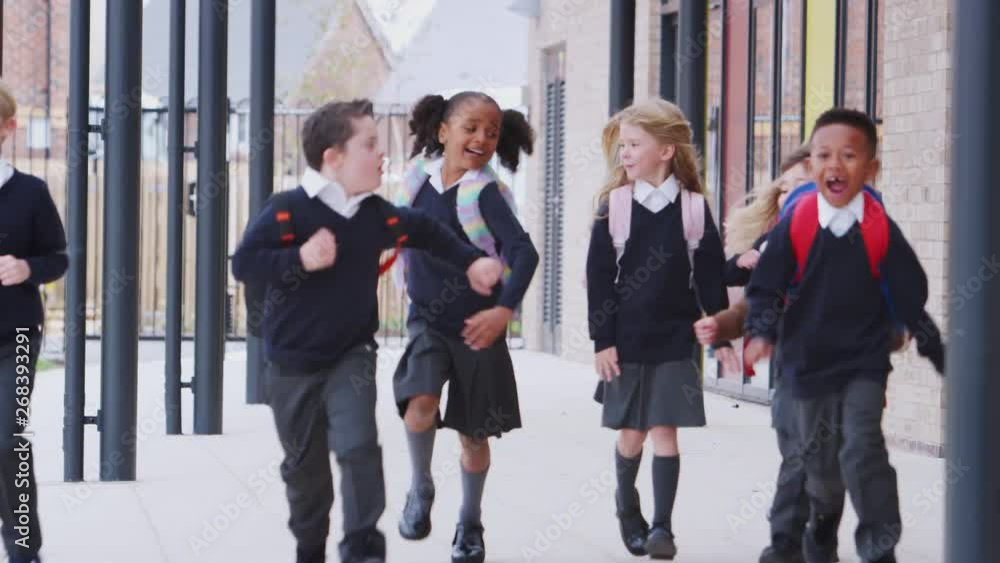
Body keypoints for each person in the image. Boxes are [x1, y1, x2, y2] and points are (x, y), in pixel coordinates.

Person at [231, 99, 502, 563]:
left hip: (351, 356)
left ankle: (362, 548)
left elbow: (428, 232)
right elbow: (244, 264)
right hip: (292, 366)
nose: (383, 155)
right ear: (333, 158)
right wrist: (298, 259)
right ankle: (310, 547)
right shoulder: (288, 211)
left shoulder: (376, 214)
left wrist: (473, 261)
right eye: (371, 144)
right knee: (305, 471)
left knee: (359, 447)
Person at [744, 108, 945, 563]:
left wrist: (938, 352)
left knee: (862, 448)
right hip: (803, 365)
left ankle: (878, 549)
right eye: (823, 155)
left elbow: (910, 294)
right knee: (815, 470)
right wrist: (759, 331)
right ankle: (812, 536)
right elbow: (766, 287)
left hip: (863, 363)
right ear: (811, 164)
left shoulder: (878, 228)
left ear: (870, 169)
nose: (835, 165)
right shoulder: (795, 224)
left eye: (850, 156)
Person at [392, 91, 539, 563]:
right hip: (427, 319)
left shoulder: (485, 193)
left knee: (473, 437)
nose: (481, 138)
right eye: (471, 127)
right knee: (419, 403)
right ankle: (421, 488)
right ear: (442, 131)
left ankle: (470, 525)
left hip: (479, 326)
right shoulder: (416, 180)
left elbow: (524, 253)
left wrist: (503, 312)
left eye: (492, 132)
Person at [586, 98, 732, 560]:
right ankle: (629, 512)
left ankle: (662, 528)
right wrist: (602, 341)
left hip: (675, 340)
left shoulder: (692, 210)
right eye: (622, 145)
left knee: (665, 431)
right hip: (626, 343)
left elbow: (709, 278)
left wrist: (722, 337)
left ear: (666, 150)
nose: (624, 154)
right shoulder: (615, 208)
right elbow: (597, 281)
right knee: (632, 435)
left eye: (634, 144)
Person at [0, 79, 68, 563]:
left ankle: (24, 550)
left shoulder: (29, 192)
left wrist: (28, 269)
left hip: (17, 337)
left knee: (7, 439)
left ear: (7, 128)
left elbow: (58, 257)